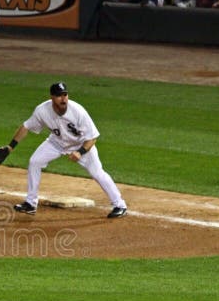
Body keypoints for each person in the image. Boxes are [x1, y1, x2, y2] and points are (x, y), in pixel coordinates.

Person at [7, 82, 128, 219]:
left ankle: (120, 205)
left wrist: (80, 152)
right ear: (52, 97)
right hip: (56, 143)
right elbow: (26, 126)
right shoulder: (42, 110)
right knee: (35, 161)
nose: (63, 98)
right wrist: (10, 147)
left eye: (65, 95)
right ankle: (30, 204)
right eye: (59, 96)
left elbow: (93, 138)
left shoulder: (78, 111)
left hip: (81, 145)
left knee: (97, 172)